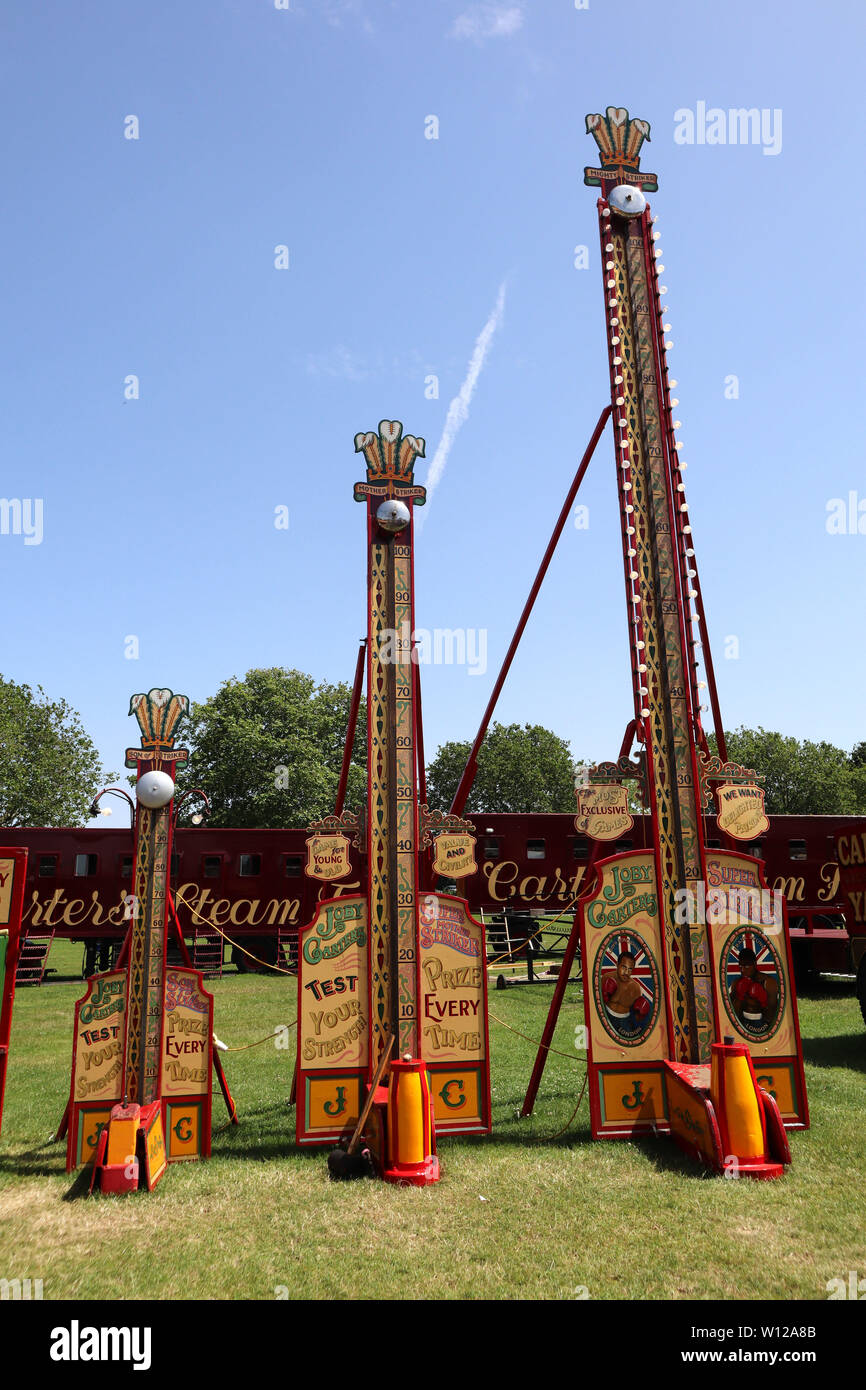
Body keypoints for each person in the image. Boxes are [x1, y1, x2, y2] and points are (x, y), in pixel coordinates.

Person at [601, 950, 651, 1037]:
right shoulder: (607, 977)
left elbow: (637, 1017)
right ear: (617, 965)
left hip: (624, 1022)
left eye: (630, 969)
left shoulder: (635, 988)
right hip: (606, 1016)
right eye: (624, 967)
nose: (626, 973)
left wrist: (641, 1015)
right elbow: (597, 1002)